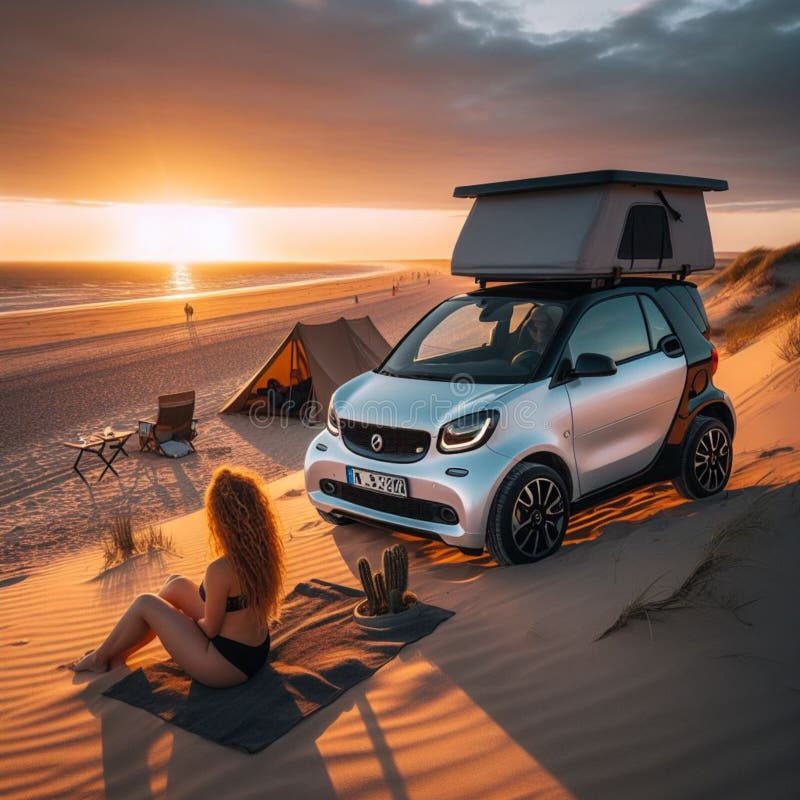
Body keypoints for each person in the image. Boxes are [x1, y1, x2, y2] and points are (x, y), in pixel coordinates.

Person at [70, 466, 285, 687]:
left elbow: (210, 629)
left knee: (145, 603)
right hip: (256, 650)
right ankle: (117, 650)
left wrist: (186, 623)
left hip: (226, 667)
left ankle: (99, 659)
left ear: (221, 519)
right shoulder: (264, 552)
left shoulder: (221, 569)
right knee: (176, 584)